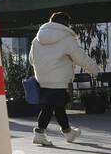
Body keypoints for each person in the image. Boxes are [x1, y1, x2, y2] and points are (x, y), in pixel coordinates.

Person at [28, 11, 99, 146]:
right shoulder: (66, 38)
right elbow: (80, 58)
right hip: (58, 78)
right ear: (66, 24)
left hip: (42, 78)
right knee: (50, 106)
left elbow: (31, 59)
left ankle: (68, 132)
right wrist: (95, 69)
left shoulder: (37, 39)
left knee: (58, 106)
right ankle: (39, 133)